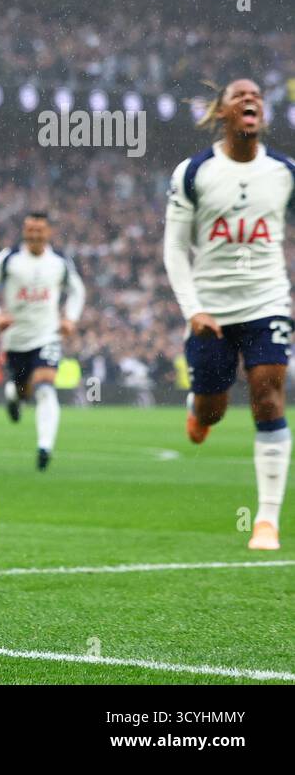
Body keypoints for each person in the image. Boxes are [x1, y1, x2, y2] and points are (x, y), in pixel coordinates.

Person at [164, 78, 292, 550]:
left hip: (267, 302)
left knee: (267, 395)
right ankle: (199, 412)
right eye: (239, 95)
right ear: (222, 113)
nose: (250, 99)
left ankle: (266, 521)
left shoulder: (284, 172)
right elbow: (175, 250)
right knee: (212, 410)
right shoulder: (194, 172)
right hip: (211, 311)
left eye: (256, 95)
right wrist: (193, 309)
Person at [0, 212, 85, 470]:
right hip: (15, 339)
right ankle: (14, 395)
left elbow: (78, 291)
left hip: (47, 335)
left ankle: (44, 447)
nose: (35, 235)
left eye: (39, 230)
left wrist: (70, 318)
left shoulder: (59, 262)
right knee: (25, 391)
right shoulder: (9, 259)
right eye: (30, 230)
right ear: (24, 231)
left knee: (46, 388)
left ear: (48, 233)